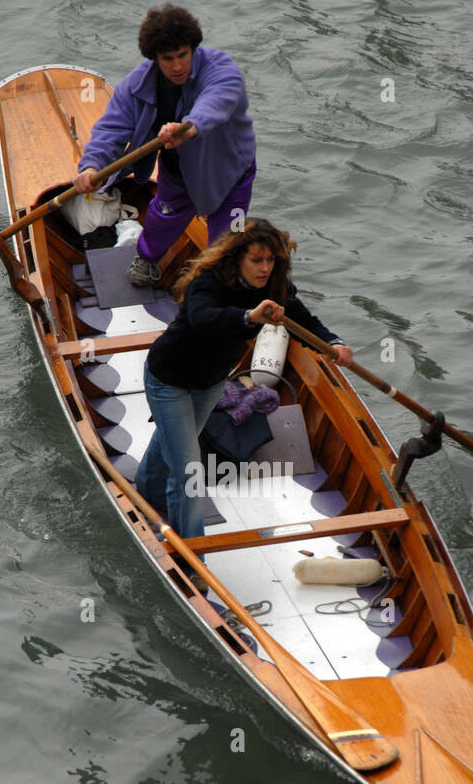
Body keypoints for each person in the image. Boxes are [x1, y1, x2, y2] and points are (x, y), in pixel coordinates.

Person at [135, 218, 353, 552]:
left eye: (271, 260)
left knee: (181, 440)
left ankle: (146, 490)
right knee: (189, 472)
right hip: (170, 378)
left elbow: (302, 320)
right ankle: (192, 558)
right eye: (256, 260)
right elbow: (201, 318)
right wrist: (249, 317)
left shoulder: (274, 287)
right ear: (237, 258)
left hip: (210, 382)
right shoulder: (209, 283)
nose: (265, 268)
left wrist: (333, 343)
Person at [74, 4, 256, 287]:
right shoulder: (136, 85)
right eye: (168, 58)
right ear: (154, 59)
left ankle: (217, 290)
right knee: (162, 219)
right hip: (177, 172)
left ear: (194, 48)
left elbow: (216, 102)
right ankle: (146, 259)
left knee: (226, 246)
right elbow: (111, 129)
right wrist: (91, 165)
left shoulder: (222, 70)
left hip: (229, 174)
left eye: (183, 55)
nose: (178, 66)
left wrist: (189, 127)